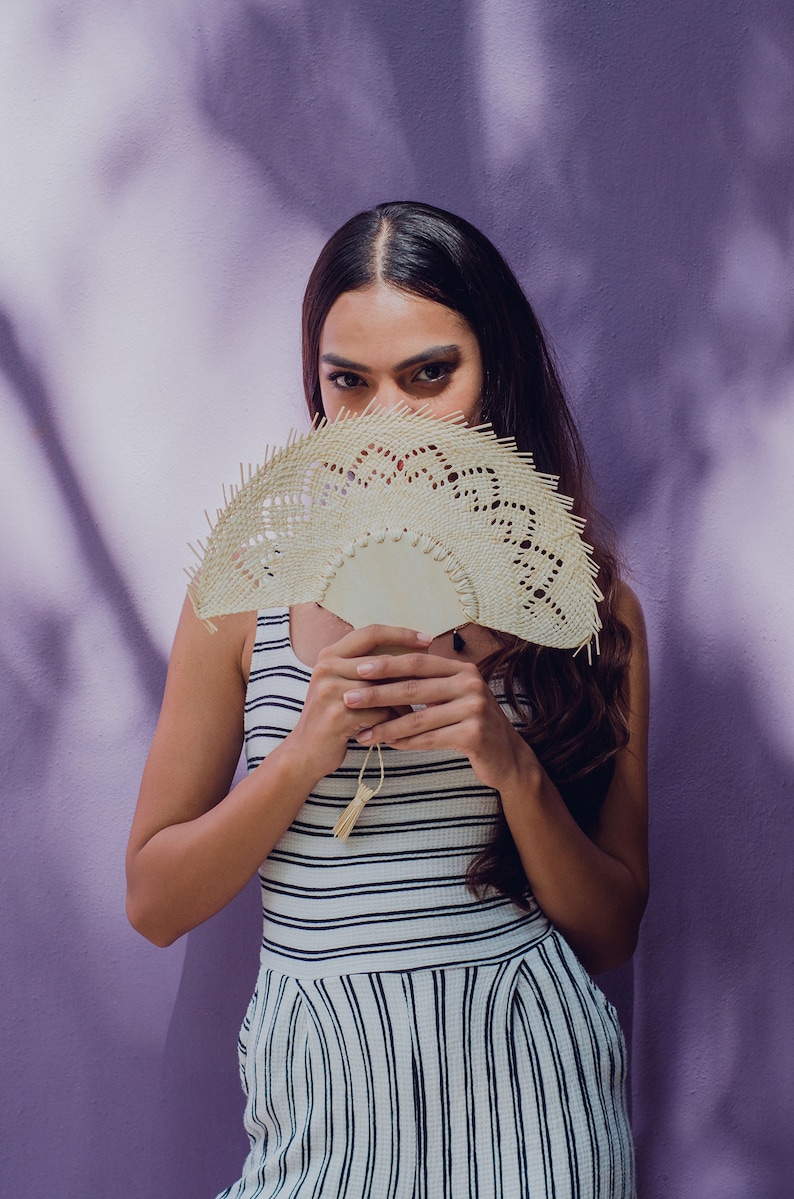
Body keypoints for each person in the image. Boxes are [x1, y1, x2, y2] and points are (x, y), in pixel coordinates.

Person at [127, 201, 649, 1199]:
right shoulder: (240, 597)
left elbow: (610, 927)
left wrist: (505, 758)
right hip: (322, 1090)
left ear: (491, 369)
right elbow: (154, 900)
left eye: (428, 374)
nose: (387, 421)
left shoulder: (591, 608)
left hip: (530, 1088)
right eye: (348, 381)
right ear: (314, 386)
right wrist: (301, 753)